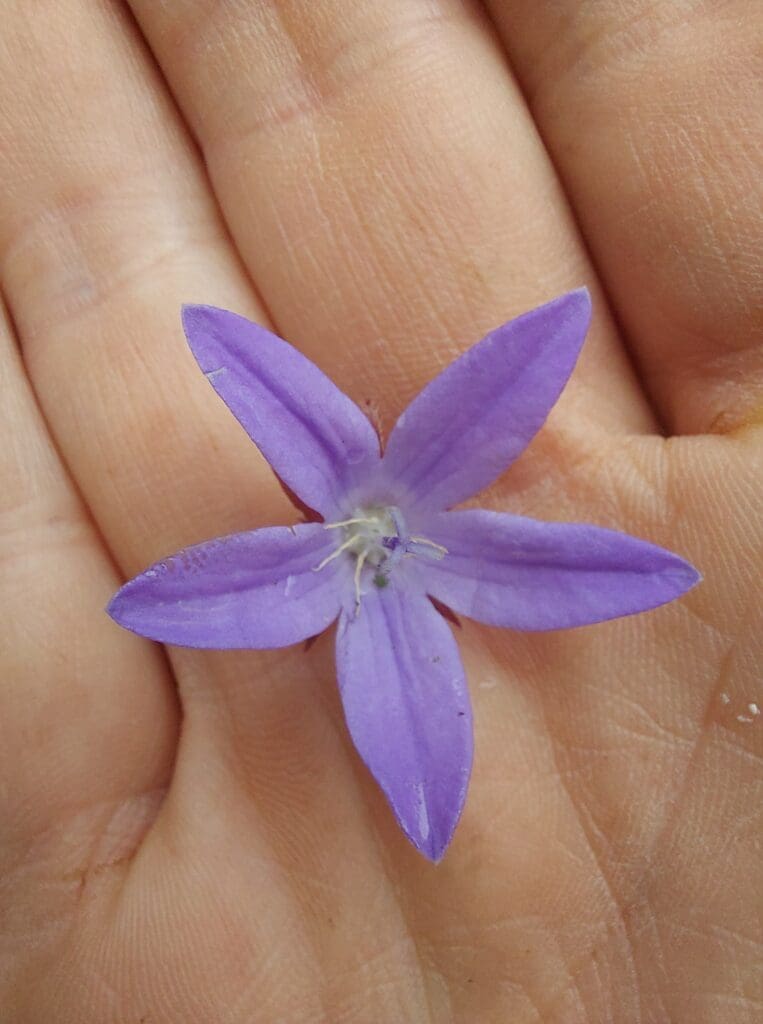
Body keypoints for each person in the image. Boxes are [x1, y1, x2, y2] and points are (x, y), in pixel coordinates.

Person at [0, 2, 760, 1021]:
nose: (370, 534)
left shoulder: (431, 508)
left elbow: (595, 534)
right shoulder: (356, 505)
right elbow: (198, 542)